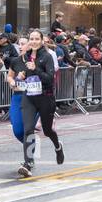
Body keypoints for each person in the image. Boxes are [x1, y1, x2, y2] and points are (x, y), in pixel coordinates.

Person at [14, 29, 63, 177]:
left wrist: (36, 70)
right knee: (28, 129)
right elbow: (21, 77)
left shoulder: (47, 57)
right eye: (32, 39)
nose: (34, 41)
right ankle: (28, 162)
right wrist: (20, 77)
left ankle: (57, 146)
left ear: (42, 41)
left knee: (47, 131)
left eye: (37, 39)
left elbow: (49, 78)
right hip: (29, 97)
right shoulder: (25, 57)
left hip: (45, 97)